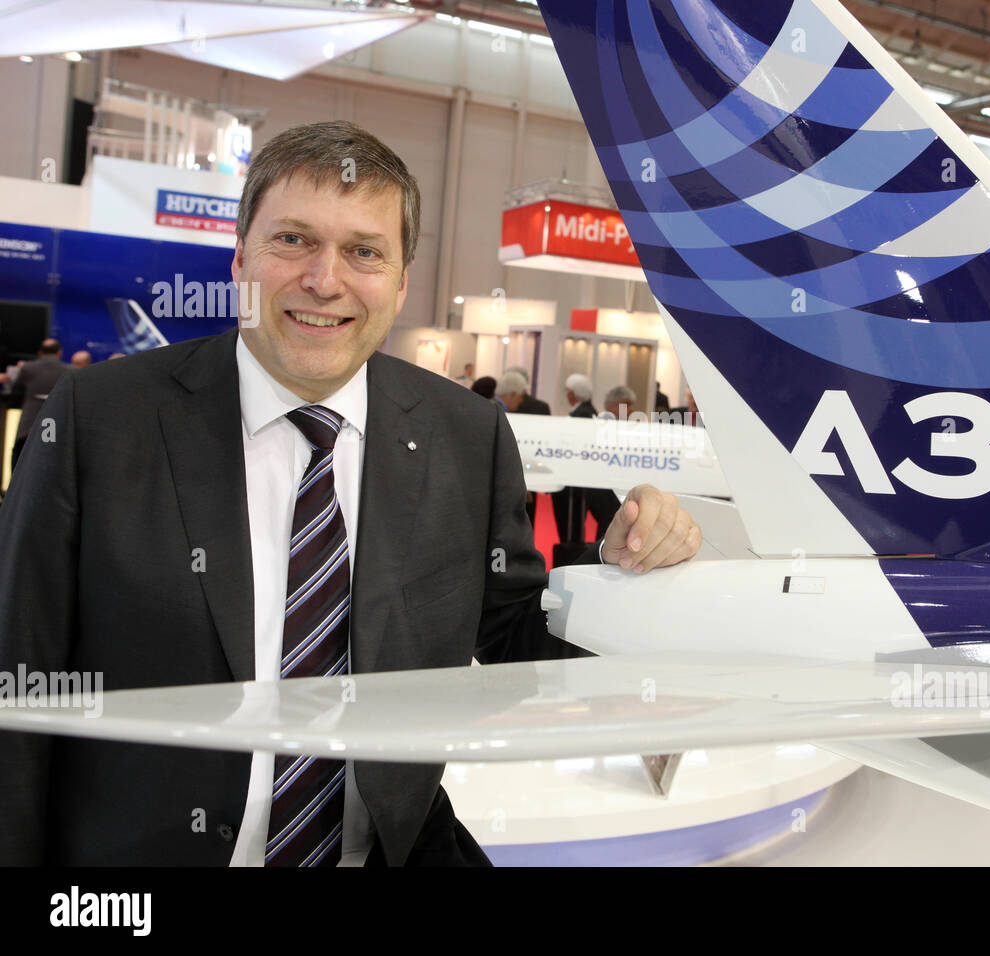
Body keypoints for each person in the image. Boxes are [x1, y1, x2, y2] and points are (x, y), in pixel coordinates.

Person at [0, 120, 701, 867]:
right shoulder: (99, 419)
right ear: (240, 259)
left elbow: (516, 638)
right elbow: (19, 673)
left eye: (363, 252)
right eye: (293, 240)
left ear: (400, 284)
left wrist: (626, 565)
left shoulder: (464, 434)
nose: (325, 280)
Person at [5, 338, 69, 473]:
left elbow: (16, 392)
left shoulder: (27, 368)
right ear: (59, 353)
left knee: (20, 457)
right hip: (56, 423)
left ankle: (15, 492)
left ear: (40, 352)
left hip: (29, 422)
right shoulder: (68, 371)